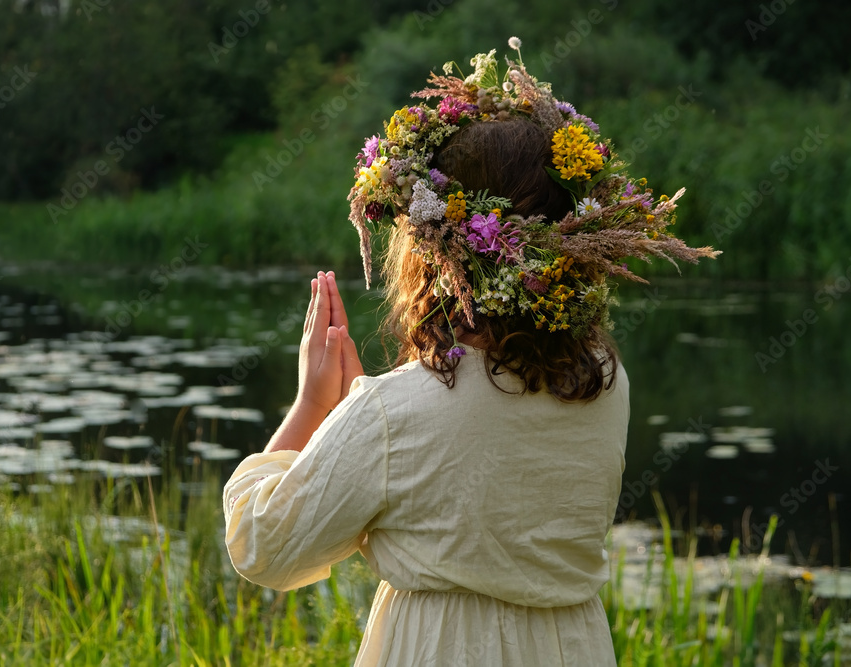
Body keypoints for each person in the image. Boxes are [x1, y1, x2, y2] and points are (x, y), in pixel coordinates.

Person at [223, 40, 719, 665]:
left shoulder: (394, 411)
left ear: (435, 252)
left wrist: (314, 404)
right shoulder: (603, 383)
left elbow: (263, 547)